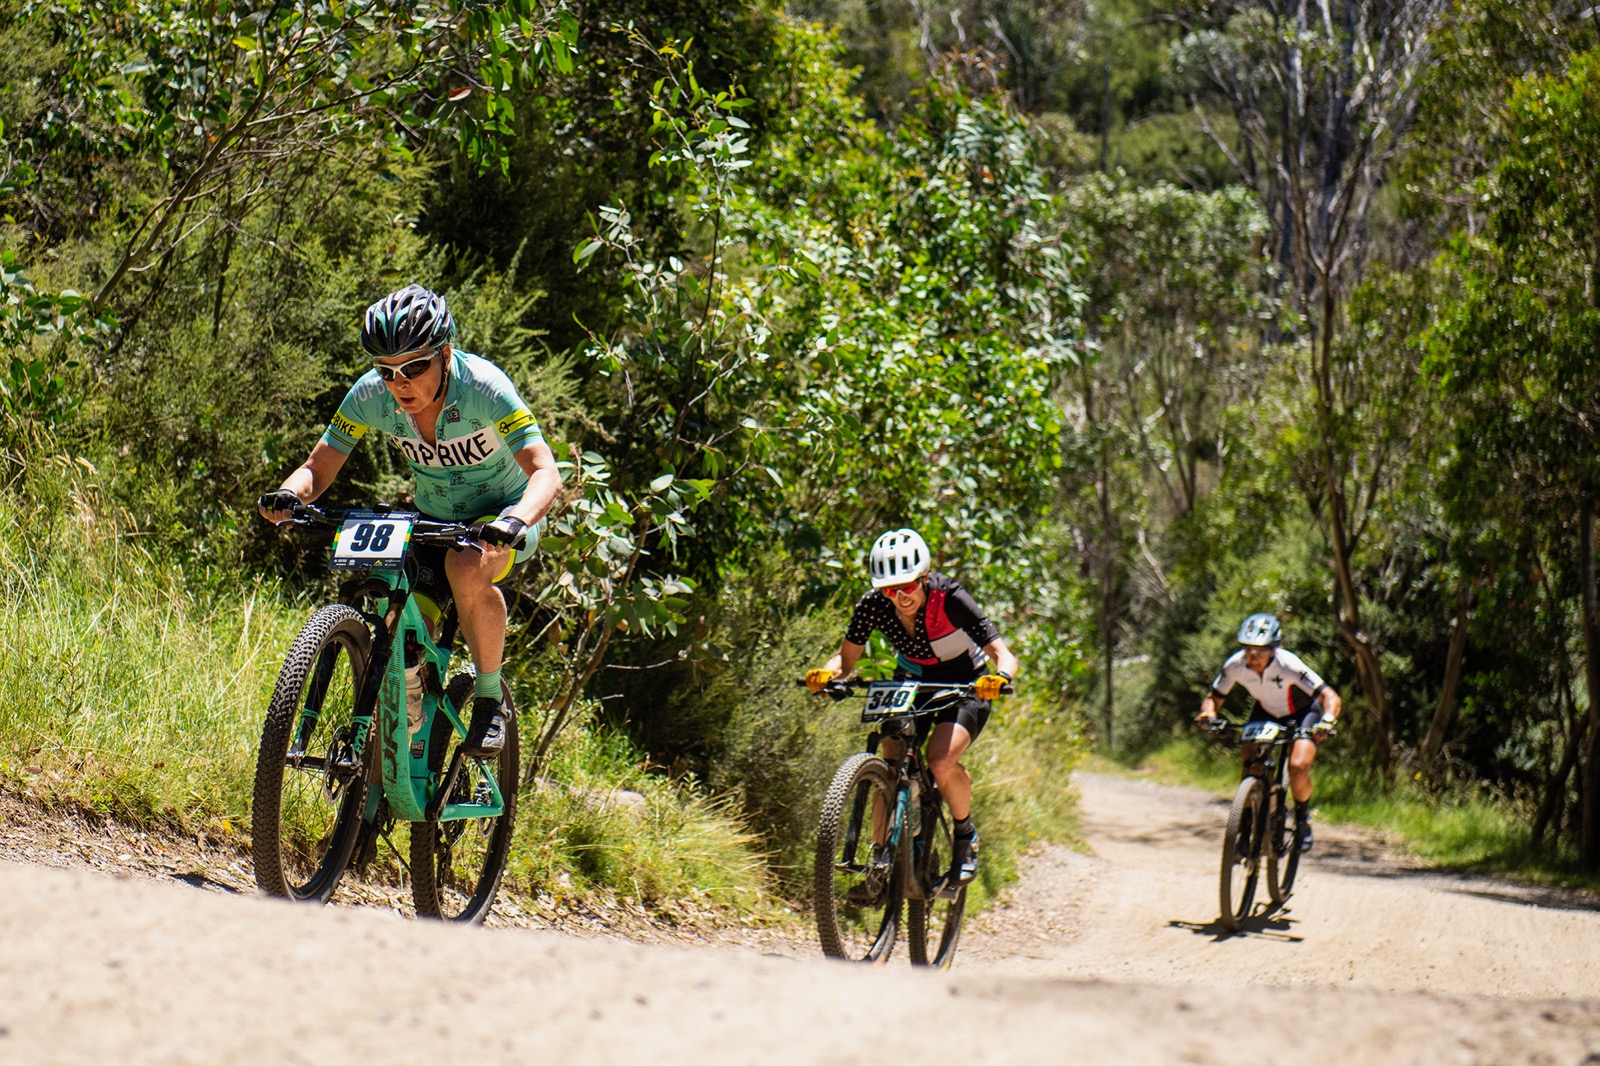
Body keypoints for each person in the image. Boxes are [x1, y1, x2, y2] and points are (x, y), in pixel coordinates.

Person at [259, 284, 562, 758]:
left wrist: (516, 520)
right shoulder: (369, 397)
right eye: (386, 371)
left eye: (415, 367)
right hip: (432, 519)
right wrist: (289, 493)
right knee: (394, 603)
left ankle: (487, 702)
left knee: (465, 567)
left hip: (499, 519)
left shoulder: (483, 388)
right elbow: (317, 469)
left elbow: (545, 471)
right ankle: (406, 701)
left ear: (445, 353)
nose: (400, 384)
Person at [805, 528, 1019, 885]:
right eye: (891, 590)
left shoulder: (950, 597)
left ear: (923, 578)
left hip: (965, 684)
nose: (900, 597)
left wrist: (1001, 679)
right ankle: (881, 856)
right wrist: (826, 675)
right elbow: (845, 659)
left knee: (939, 759)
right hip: (911, 681)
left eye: (907, 587)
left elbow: (1003, 653)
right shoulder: (872, 605)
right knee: (890, 761)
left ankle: (965, 835)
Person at [1196, 613, 1341, 852]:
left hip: (1303, 713)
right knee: (1250, 764)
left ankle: (1302, 818)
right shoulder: (1235, 665)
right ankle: (1246, 822)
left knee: (1298, 767)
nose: (1252, 657)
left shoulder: (1289, 665)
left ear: (1273, 649)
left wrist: (1327, 721)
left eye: (1260, 651)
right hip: (1266, 711)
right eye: (1247, 650)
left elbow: (1330, 697)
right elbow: (1213, 698)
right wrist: (1208, 715)